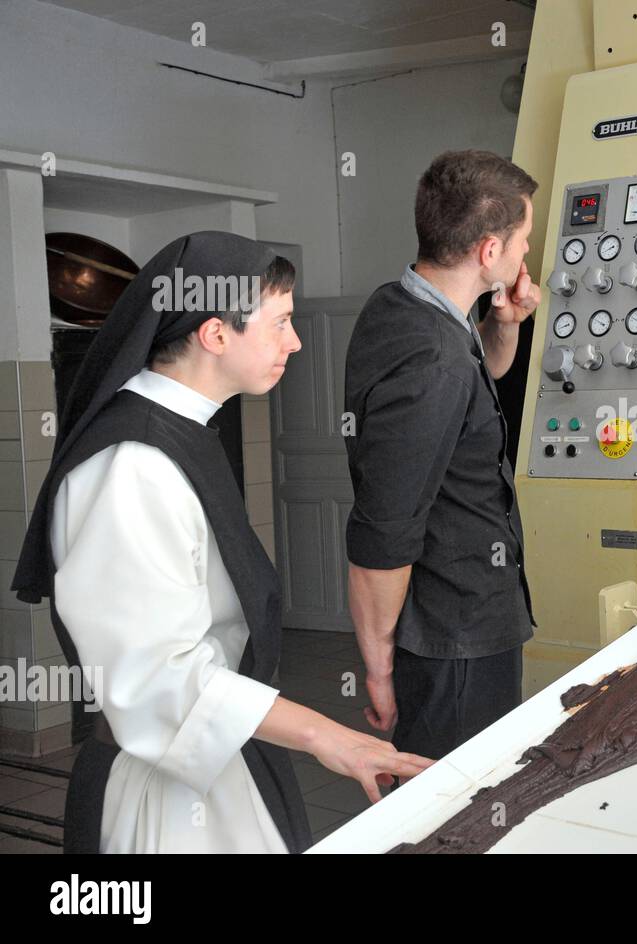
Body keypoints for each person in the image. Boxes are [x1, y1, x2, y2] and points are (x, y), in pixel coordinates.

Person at [11, 231, 432, 853]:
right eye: (282, 322)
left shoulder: (181, 431)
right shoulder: (133, 465)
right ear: (215, 334)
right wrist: (326, 737)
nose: (294, 340)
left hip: (217, 757)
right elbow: (156, 676)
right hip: (164, 799)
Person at [345, 150, 540, 764]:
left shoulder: (404, 307)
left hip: (465, 621)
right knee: (456, 813)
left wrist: (504, 325)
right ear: (489, 252)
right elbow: (384, 531)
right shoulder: (433, 360)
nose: (525, 256)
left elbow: (468, 388)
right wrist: (378, 669)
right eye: (523, 241)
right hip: (453, 634)